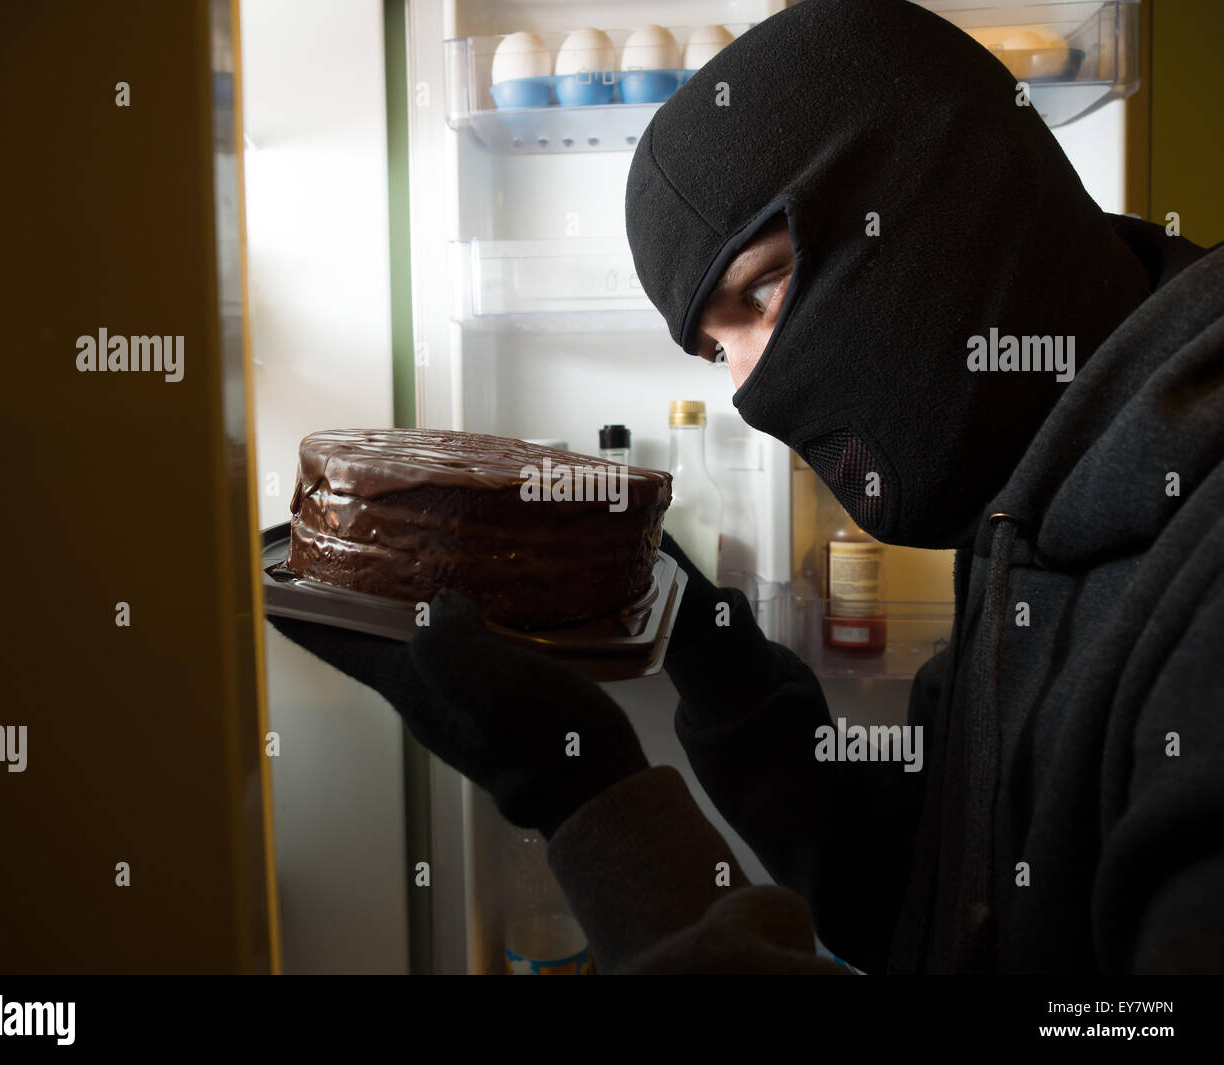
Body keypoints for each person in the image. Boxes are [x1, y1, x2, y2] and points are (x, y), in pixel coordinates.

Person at [270, 0, 1224, 973]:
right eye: (716, 348)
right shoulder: (1024, 496)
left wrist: (580, 791)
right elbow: (922, 890)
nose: (748, 388)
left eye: (762, 291)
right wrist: (712, 654)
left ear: (943, 192)